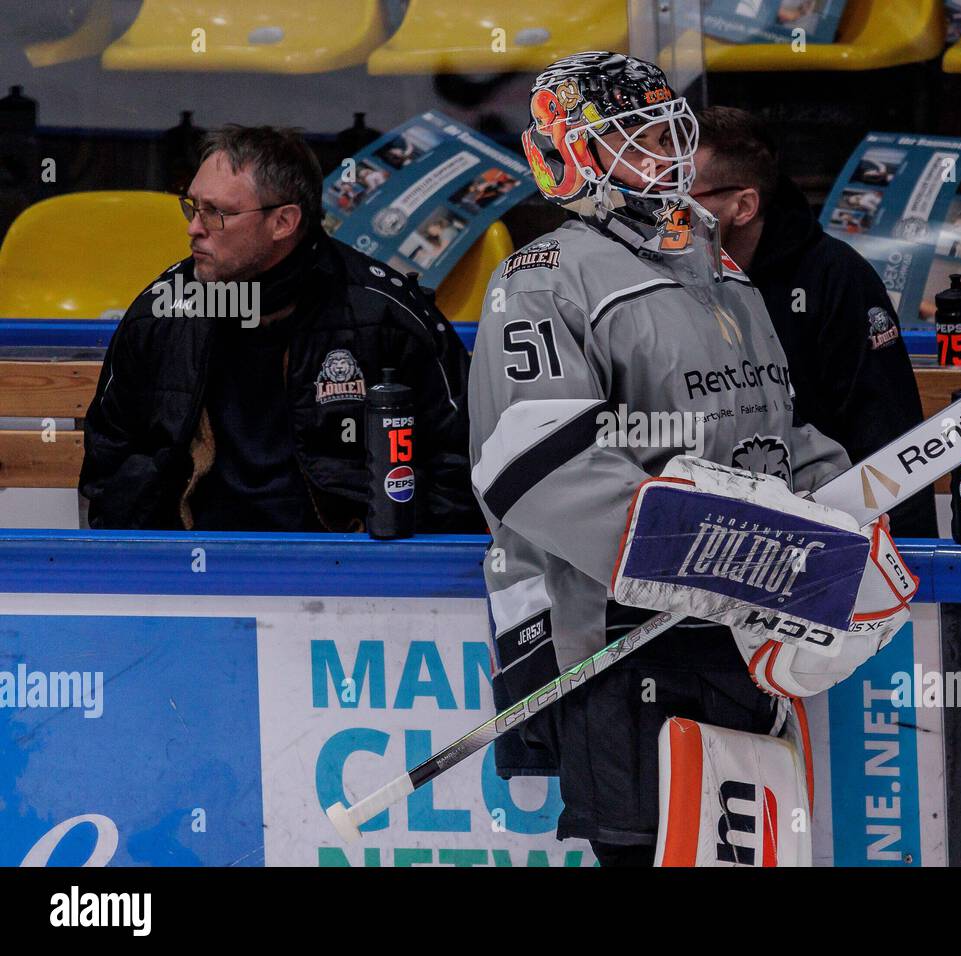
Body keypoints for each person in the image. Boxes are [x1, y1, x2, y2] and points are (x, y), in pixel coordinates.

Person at [469, 52, 911, 867]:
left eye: (665, 134)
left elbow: (770, 428)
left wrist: (844, 517)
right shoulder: (543, 281)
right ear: (568, 160)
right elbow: (535, 471)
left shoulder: (719, 269)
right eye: (633, 142)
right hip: (627, 643)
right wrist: (744, 560)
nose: (663, 158)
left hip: (737, 637)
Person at [80, 124, 479, 533]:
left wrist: (399, 570)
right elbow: (109, 463)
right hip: (192, 569)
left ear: (284, 222)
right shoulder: (161, 313)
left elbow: (462, 463)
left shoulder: (384, 314)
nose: (193, 228)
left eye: (215, 213)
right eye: (192, 207)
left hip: (345, 571)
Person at [692, 106, 939, 537]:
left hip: (826, 528)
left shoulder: (836, 277)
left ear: (743, 206)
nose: (659, 210)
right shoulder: (649, 275)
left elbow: (887, 435)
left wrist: (904, 567)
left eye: (683, 195)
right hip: (700, 522)